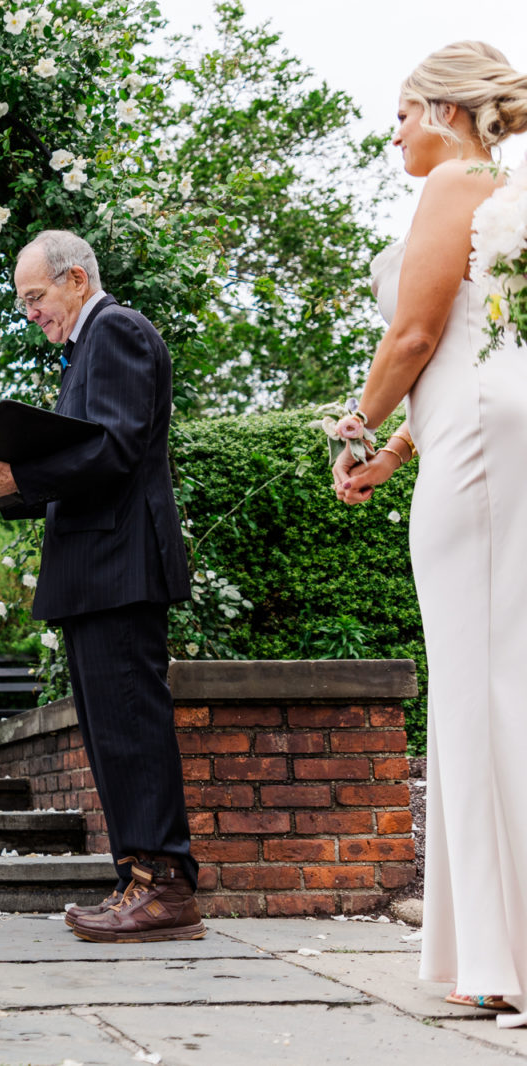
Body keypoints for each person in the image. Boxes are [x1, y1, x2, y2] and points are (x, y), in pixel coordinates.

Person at [331, 41, 527, 1024]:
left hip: (480, 448)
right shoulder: (495, 187)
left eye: (401, 112)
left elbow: (411, 337)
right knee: (487, 674)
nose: (393, 131)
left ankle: (508, 953)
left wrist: (353, 424)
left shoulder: (458, 176)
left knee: (480, 679)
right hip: (475, 430)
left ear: (446, 109)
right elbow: (475, 342)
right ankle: (487, 947)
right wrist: (399, 450)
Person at [0, 231, 199, 943]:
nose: (31, 312)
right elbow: (82, 464)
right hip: (96, 567)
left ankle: (167, 889)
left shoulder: (115, 329)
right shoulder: (86, 346)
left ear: (77, 280)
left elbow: (115, 448)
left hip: (119, 568)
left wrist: (20, 476)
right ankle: (139, 881)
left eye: (36, 297)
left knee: (131, 729)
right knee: (109, 734)